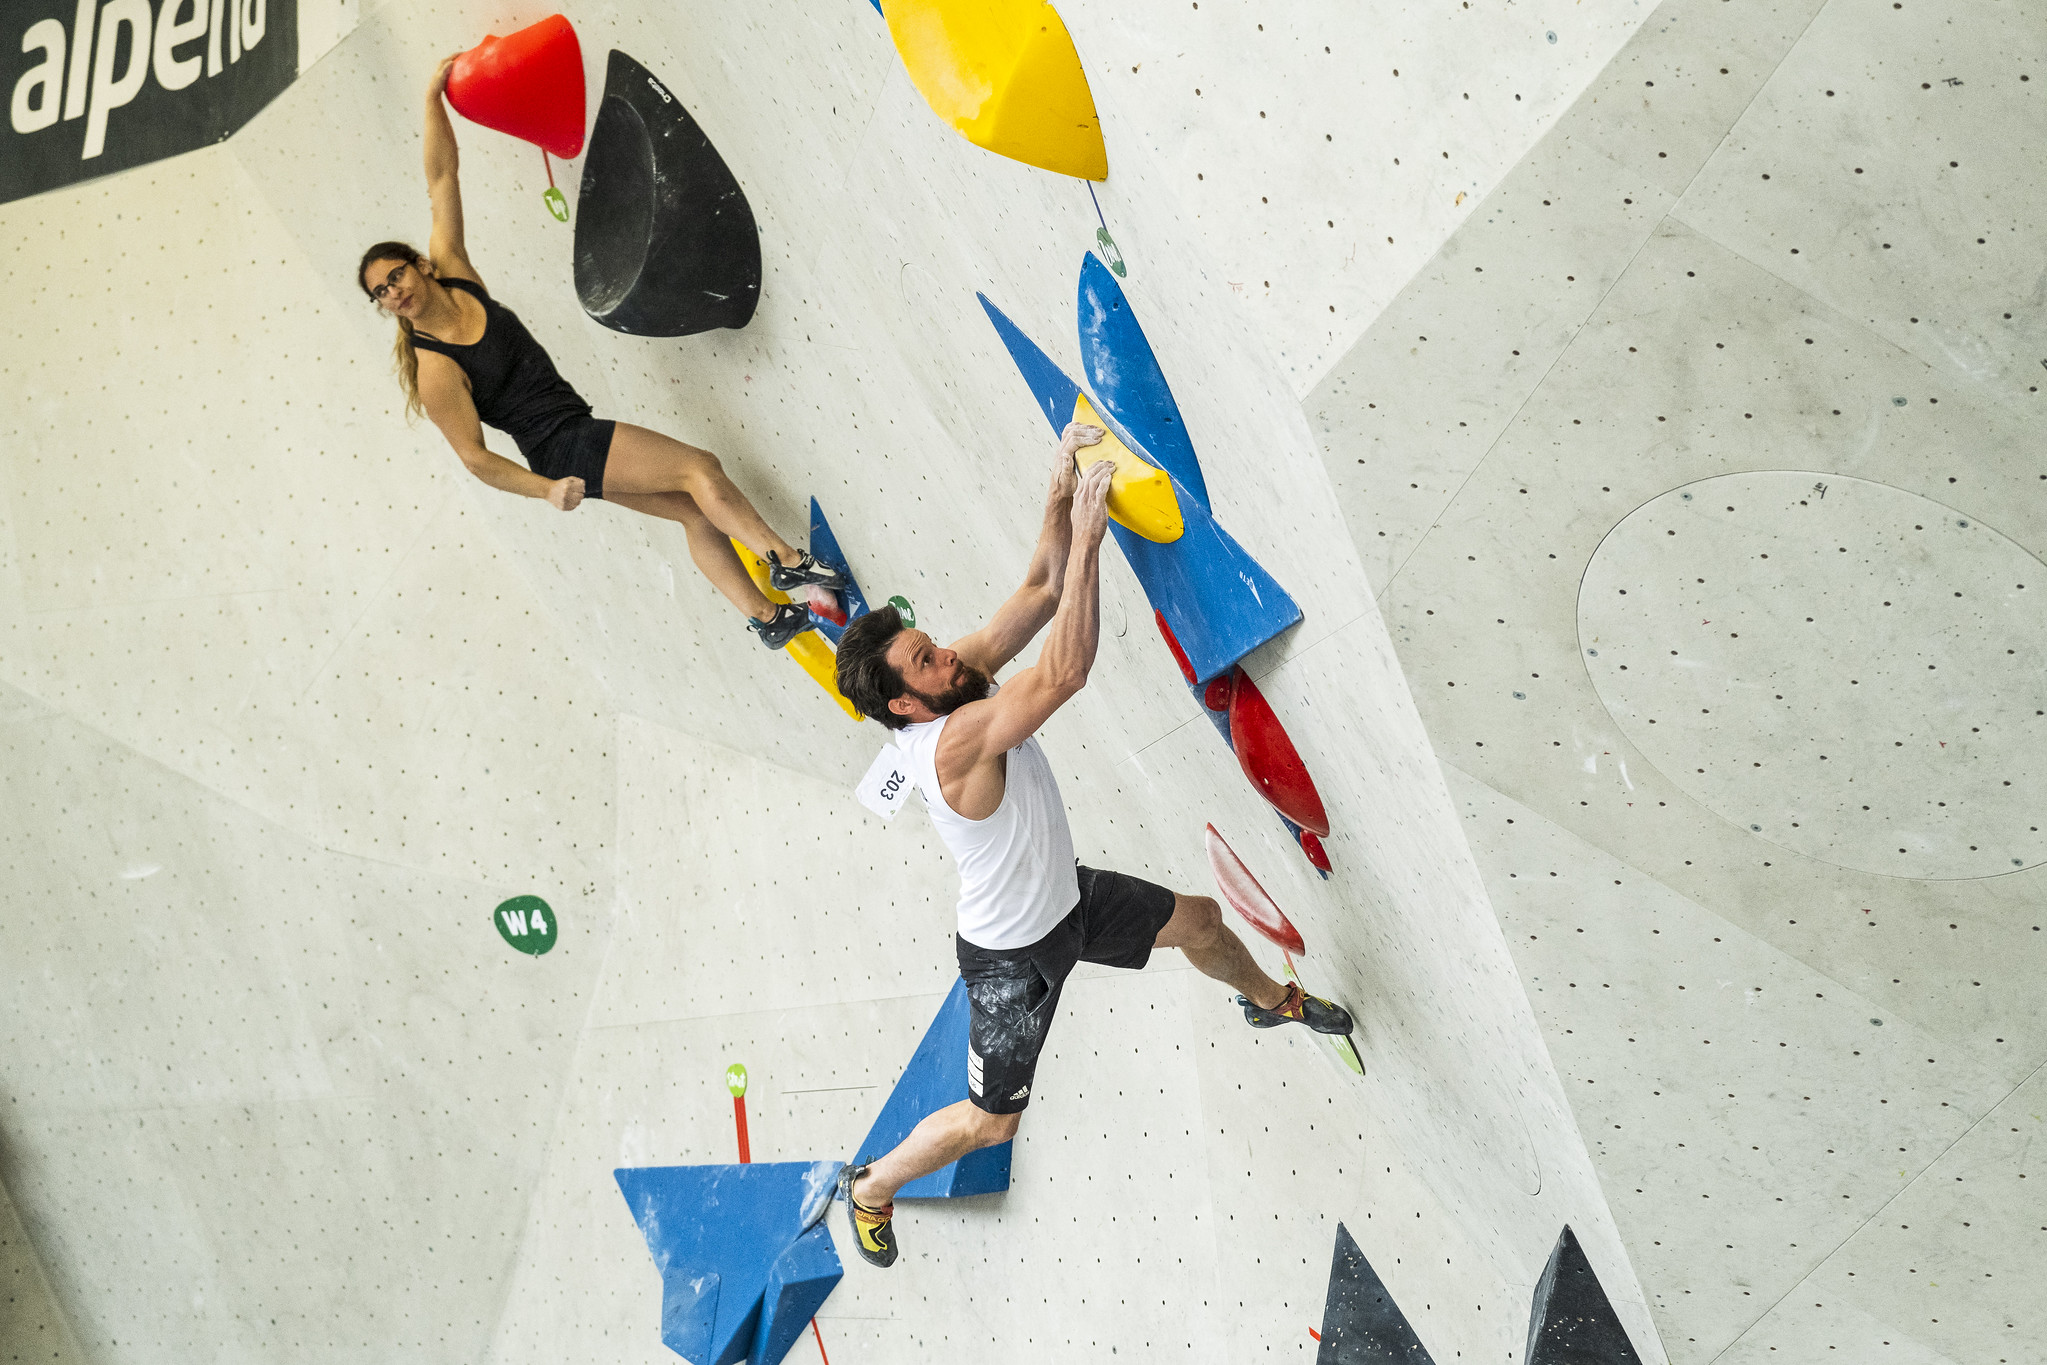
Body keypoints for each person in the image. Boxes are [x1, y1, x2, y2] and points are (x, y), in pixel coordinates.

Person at [823, 423, 1354, 1267]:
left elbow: (1035, 589)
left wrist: (1060, 485)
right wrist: (1093, 543)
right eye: (926, 658)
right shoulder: (950, 742)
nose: (948, 652)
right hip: (1010, 958)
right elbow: (1064, 671)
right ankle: (872, 1185)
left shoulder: (950, 679)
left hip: (1066, 901)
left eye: (929, 644)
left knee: (1203, 922)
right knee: (989, 1119)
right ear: (907, 708)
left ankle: (1266, 998)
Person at [356, 56, 841, 649]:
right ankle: (786, 560)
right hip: (561, 445)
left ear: (421, 265)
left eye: (395, 276)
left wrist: (432, 97)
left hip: (572, 432)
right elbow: (476, 459)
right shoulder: (435, 369)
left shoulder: (455, 272)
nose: (393, 293)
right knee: (701, 468)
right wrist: (546, 490)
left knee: (693, 509)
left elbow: (441, 180)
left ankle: (769, 620)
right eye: (380, 293)